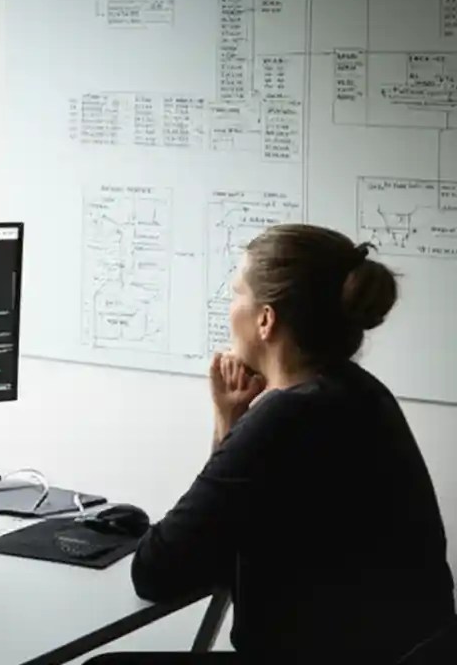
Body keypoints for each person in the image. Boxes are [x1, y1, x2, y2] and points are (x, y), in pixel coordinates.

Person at [88, 224, 455, 664]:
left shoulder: (285, 417)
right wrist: (232, 423)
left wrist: (232, 428)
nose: (227, 308)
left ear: (265, 319)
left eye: (236, 293)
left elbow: (156, 571)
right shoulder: (362, 393)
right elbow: (215, 542)